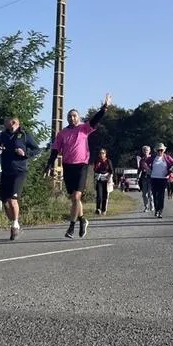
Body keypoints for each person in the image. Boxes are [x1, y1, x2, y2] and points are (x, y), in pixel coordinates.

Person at [46, 93, 112, 239]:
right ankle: (83, 220)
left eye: (75, 115)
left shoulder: (84, 129)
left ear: (79, 118)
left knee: (76, 196)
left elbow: (95, 120)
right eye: (70, 116)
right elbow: (55, 150)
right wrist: (49, 164)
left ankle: (71, 227)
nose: (72, 118)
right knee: (75, 199)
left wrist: (104, 107)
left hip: (81, 165)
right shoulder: (62, 133)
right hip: (68, 167)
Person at [0, 117, 42, 240]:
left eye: (6, 121)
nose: (4, 123)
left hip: (19, 171)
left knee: (13, 199)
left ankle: (14, 224)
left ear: (14, 122)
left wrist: (25, 154)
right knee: (4, 201)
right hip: (6, 171)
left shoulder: (24, 135)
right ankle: (15, 222)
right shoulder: (3, 135)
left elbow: (37, 150)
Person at [142, 142, 173, 218]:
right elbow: (144, 162)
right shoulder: (153, 158)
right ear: (156, 151)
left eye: (161, 150)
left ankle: (160, 211)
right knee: (155, 195)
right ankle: (156, 210)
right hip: (153, 178)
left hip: (163, 179)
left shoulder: (167, 157)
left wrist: (172, 171)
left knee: (161, 195)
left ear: (164, 150)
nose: (160, 152)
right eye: (158, 150)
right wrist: (147, 169)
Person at [93, 148, 115, 216]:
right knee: (99, 195)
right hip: (99, 179)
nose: (101, 154)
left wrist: (109, 177)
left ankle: (104, 209)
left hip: (106, 179)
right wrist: (97, 165)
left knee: (105, 196)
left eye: (103, 153)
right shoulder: (97, 161)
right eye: (100, 153)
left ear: (105, 154)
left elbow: (111, 171)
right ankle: (98, 209)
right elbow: (95, 170)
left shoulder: (108, 161)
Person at [137, 145, 153, 213]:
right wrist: (137, 176)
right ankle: (146, 206)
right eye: (144, 150)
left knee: (150, 193)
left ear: (149, 151)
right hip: (144, 178)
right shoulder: (142, 160)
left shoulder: (152, 159)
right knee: (144, 194)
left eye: (147, 150)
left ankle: (152, 206)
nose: (145, 152)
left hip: (151, 177)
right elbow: (139, 169)